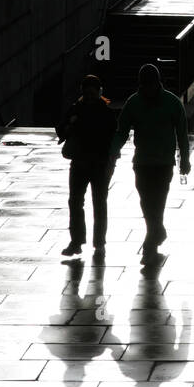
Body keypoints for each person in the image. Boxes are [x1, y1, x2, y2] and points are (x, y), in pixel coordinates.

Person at [110, 64, 190, 264]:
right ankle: (157, 231)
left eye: (149, 85)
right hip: (144, 161)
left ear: (156, 83)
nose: (147, 89)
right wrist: (112, 152)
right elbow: (122, 130)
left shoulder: (165, 103)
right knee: (148, 202)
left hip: (162, 163)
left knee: (155, 202)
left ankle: (150, 243)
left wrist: (185, 161)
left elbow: (182, 134)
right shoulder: (140, 102)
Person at [57, 74, 118, 263]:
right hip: (86, 163)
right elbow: (61, 129)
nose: (89, 95)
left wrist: (111, 163)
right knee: (86, 202)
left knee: (85, 202)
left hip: (94, 164)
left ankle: (88, 242)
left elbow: (113, 142)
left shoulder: (99, 112)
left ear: (98, 92)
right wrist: (69, 125)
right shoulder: (96, 111)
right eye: (87, 92)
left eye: (92, 92)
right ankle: (86, 242)